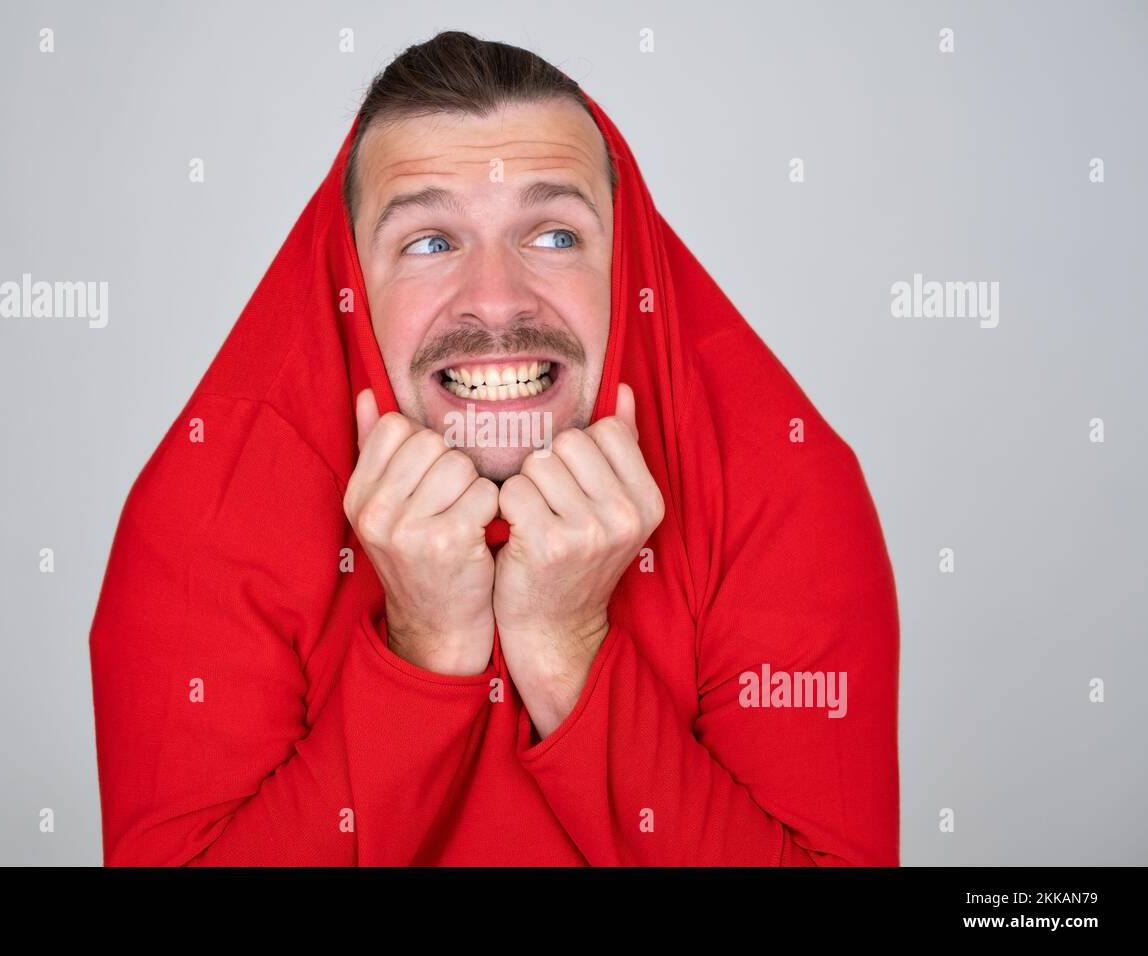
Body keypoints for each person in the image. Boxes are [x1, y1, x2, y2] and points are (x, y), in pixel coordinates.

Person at [88, 31, 900, 866]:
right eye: (430, 243)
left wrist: (568, 647)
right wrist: (425, 649)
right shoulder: (207, 506)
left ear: (629, 264)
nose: (497, 300)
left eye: (553, 236)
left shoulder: (782, 482)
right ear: (347, 283)